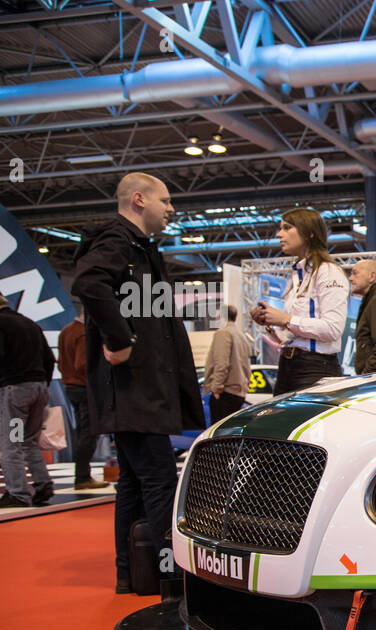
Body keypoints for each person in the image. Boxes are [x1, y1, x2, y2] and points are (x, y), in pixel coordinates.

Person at [72, 172, 205, 591]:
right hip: (134, 390)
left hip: (139, 390)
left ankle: (132, 575)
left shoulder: (139, 248)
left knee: (133, 481)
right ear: (138, 200)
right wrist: (120, 338)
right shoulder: (117, 241)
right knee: (159, 479)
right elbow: (89, 285)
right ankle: (169, 579)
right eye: (165, 200)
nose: (171, 209)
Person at [251, 208, 348, 394]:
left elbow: (333, 329)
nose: (279, 234)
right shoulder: (296, 276)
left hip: (316, 367)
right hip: (288, 364)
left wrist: (285, 319)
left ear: (309, 233)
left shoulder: (328, 271)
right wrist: (269, 321)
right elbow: (293, 336)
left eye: (287, 228)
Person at [0, 291, 55, 508]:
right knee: (28, 441)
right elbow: (50, 358)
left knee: (12, 443)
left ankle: (18, 493)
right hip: (39, 391)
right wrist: (42, 384)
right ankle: (43, 484)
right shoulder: (30, 324)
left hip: (18, 393)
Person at [57, 304, 110, 491]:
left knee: (83, 432)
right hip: (84, 388)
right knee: (89, 433)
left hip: (71, 387)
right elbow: (83, 364)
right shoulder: (83, 333)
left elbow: (62, 362)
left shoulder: (66, 331)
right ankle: (82, 476)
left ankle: (82, 475)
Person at [203, 305, 251, 422]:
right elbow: (247, 366)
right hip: (238, 393)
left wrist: (216, 388)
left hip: (225, 392)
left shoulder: (223, 333)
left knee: (219, 435)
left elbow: (222, 363)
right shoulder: (241, 335)